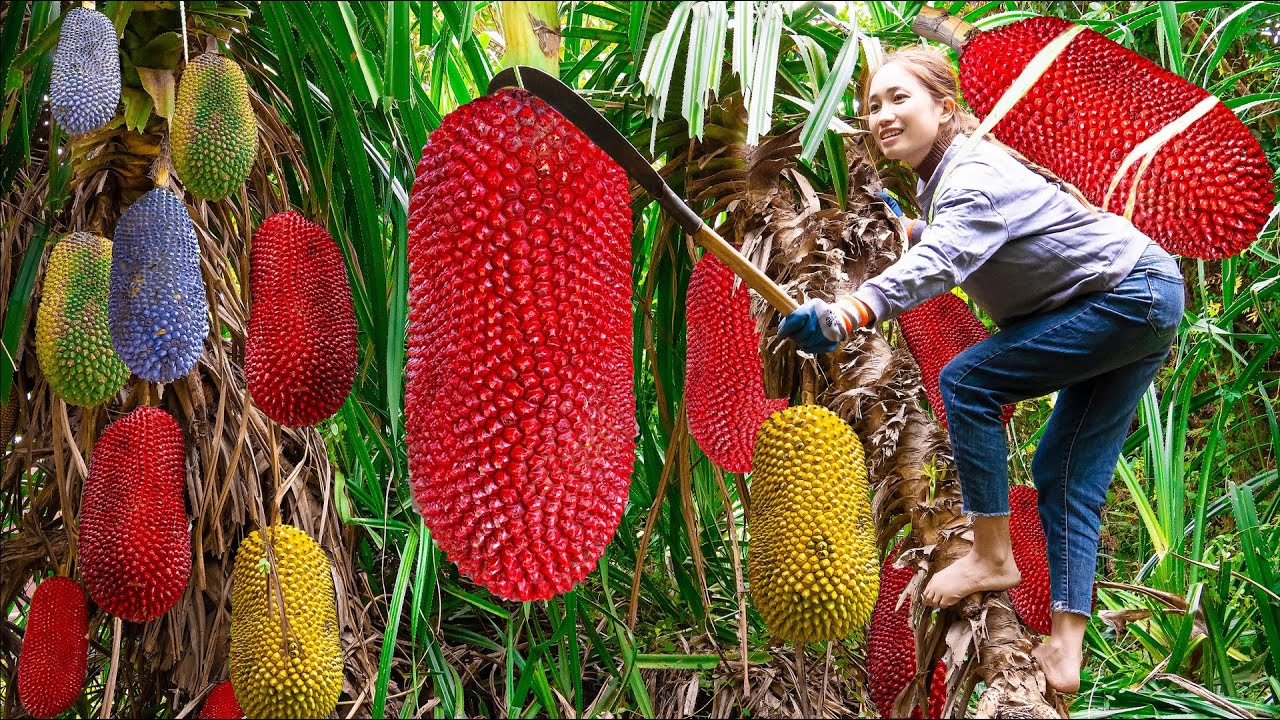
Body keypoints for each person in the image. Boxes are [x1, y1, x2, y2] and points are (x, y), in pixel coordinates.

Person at [776, 46, 1185, 693]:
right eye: (873, 105)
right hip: (1139, 300)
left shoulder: (973, 170)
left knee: (966, 380)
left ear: (945, 105)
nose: (882, 115)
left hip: (1124, 297)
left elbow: (948, 255)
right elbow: (974, 238)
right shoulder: (956, 183)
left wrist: (850, 309)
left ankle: (992, 556)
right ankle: (1067, 650)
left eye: (899, 98)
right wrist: (912, 229)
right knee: (1065, 471)